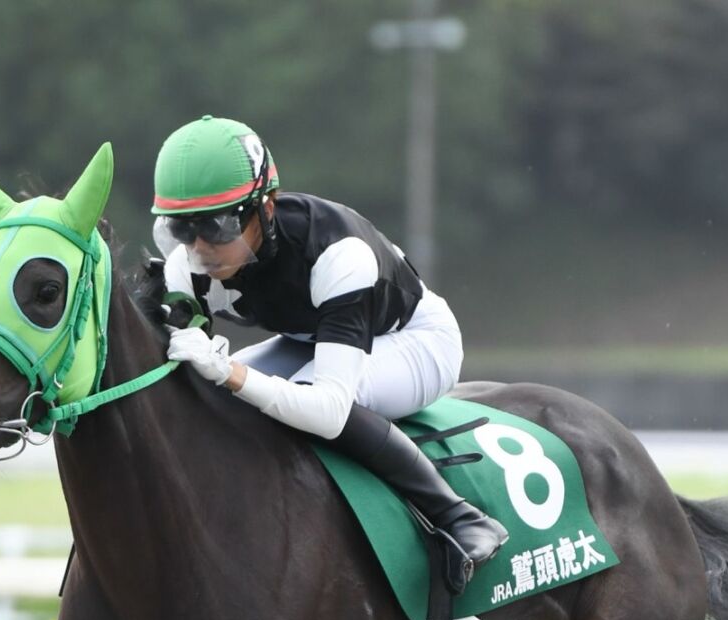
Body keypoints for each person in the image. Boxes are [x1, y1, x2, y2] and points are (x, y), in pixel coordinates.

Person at [152, 115, 508, 575]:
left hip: (415, 340)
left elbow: (329, 410)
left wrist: (230, 373)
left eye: (217, 226)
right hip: (312, 337)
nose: (200, 248)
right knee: (222, 395)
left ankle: (459, 516)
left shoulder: (338, 254)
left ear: (267, 206)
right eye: (181, 230)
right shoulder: (189, 265)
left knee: (288, 399)